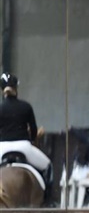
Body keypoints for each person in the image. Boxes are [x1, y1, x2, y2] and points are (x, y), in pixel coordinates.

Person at [0, 72, 54, 201]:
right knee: (48, 166)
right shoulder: (26, 107)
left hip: (1, 149)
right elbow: (34, 132)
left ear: (3, 91)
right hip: (24, 147)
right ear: (16, 89)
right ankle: (48, 201)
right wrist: (32, 136)